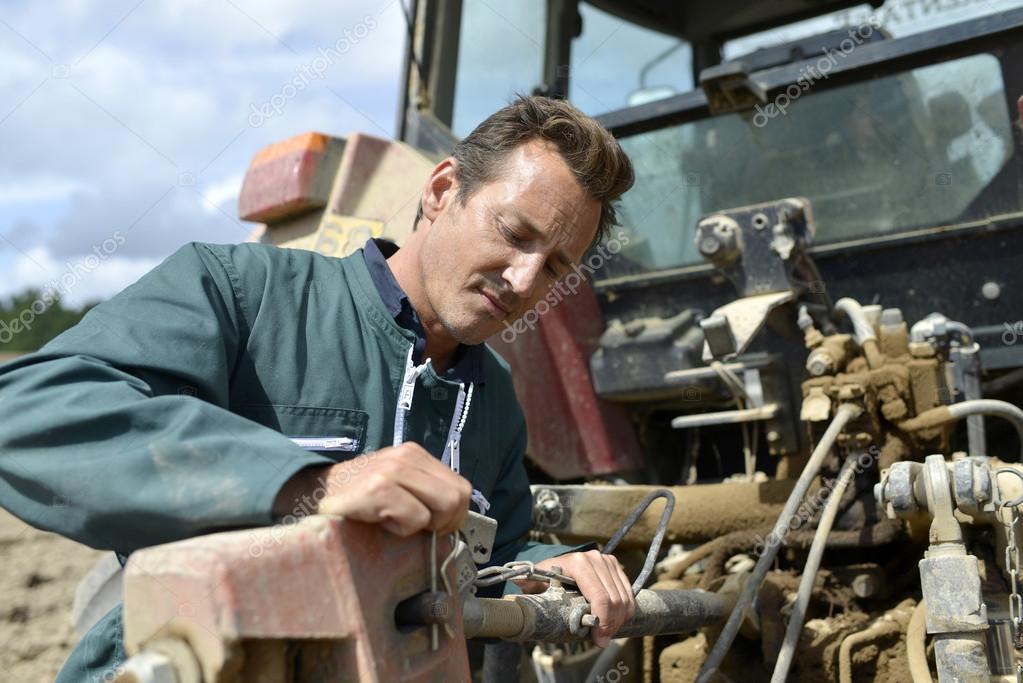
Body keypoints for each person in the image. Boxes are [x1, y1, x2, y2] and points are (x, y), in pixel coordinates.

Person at [0, 95, 636, 681]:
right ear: (443, 190)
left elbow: (491, 556)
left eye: (555, 265)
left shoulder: (494, 395)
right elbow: (27, 409)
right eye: (514, 233)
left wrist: (542, 570)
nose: (526, 280)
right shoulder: (241, 292)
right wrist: (310, 484)